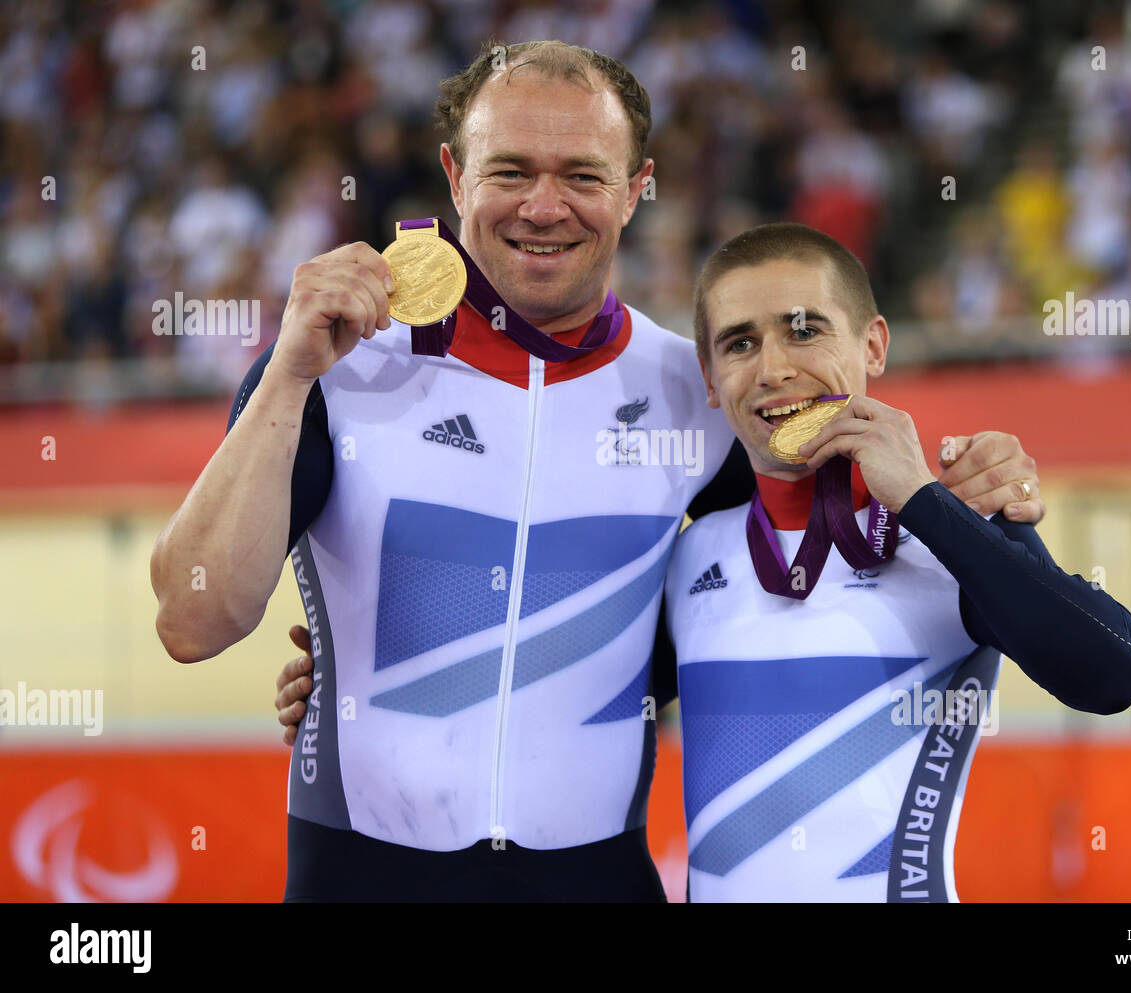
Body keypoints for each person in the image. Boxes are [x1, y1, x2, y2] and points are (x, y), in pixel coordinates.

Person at [155, 40, 1045, 903]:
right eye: (509, 171)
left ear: (636, 190)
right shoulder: (338, 363)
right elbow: (193, 620)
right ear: (455, 177)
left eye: (583, 175)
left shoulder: (695, 393)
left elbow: (793, 582)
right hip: (361, 873)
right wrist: (286, 372)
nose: (545, 207)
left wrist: (980, 476)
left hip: (592, 880)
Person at [667, 222, 1131, 900]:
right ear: (711, 379)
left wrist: (922, 499)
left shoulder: (952, 528)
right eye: (740, 342)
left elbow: (1110, 673)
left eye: (804, 330)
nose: (772, 367)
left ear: (874, 345)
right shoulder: (691, 553)